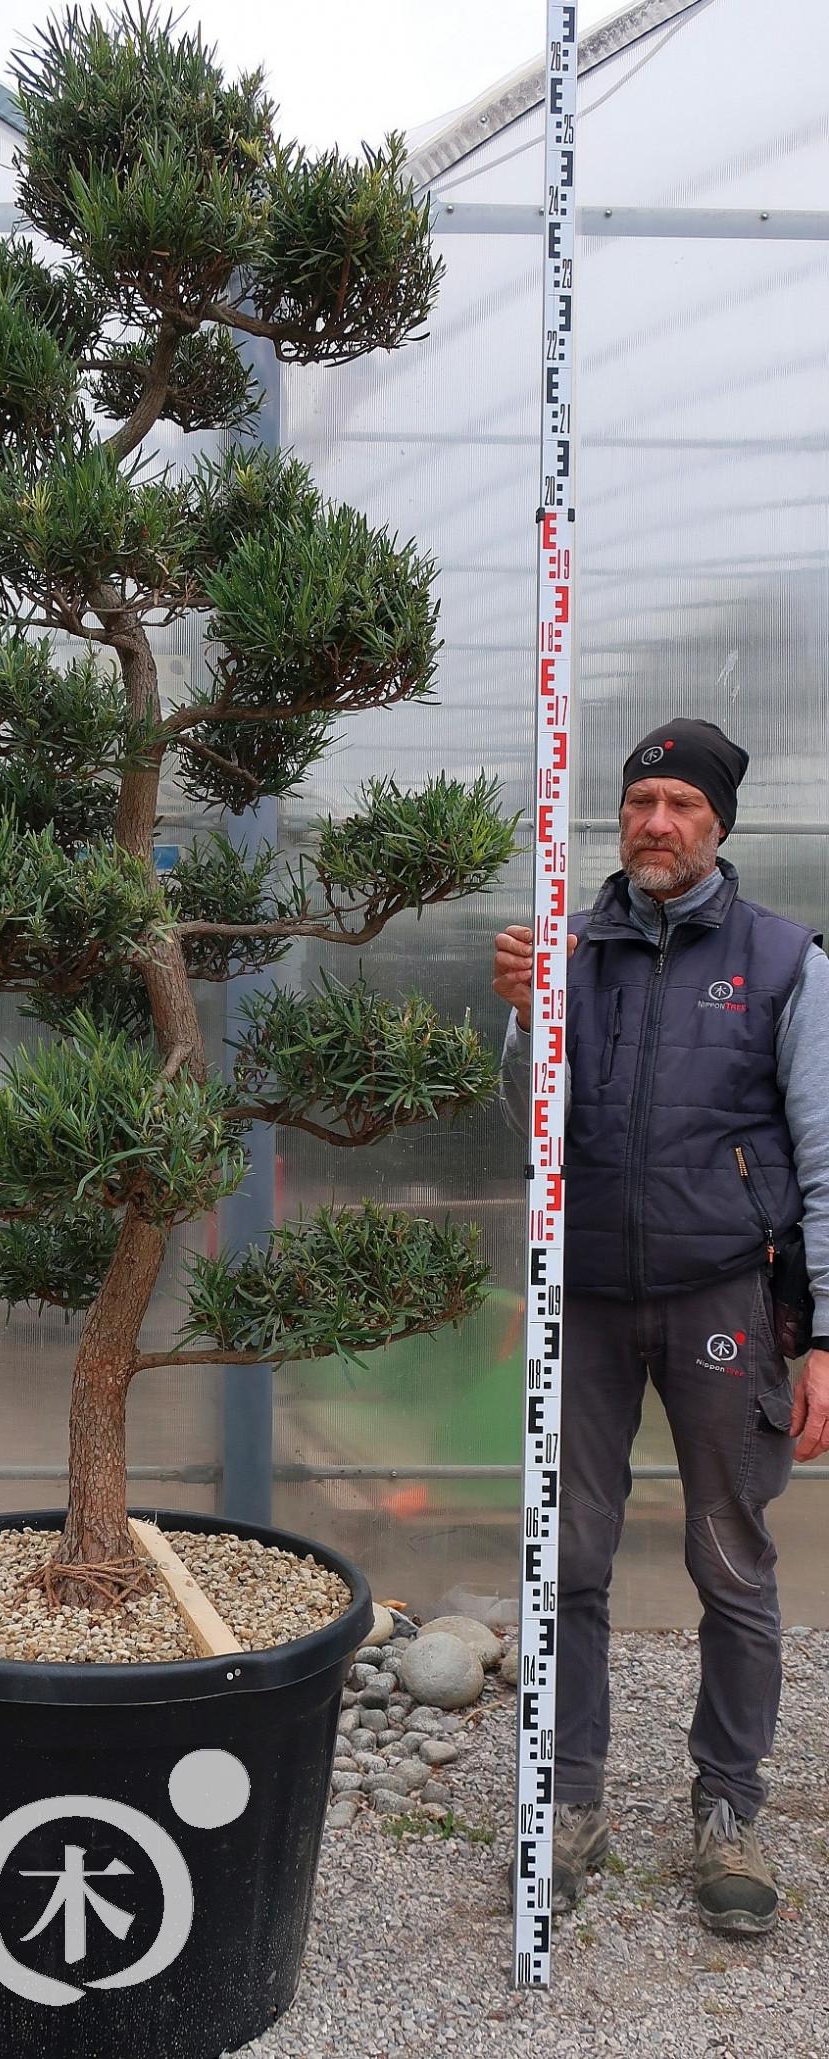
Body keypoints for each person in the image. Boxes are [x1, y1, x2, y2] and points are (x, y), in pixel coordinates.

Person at [493, 717, 829, 1936]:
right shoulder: (569, 946)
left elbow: (825, 1152)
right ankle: (569, 1802)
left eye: (683, 804)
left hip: (723, 1298)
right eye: (640, 801)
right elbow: (524, 1119)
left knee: (728, 1559)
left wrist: (827, 1334)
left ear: (720, 825)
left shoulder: (786, 961)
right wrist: (527, 1014)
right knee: (570, 1554)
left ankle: (729, 1811)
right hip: (581, 1294)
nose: (656, 823)